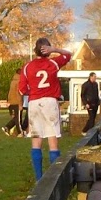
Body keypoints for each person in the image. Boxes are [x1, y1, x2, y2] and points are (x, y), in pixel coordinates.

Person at [19, 38, 71, 179]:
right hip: (50, 102)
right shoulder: (53, 63)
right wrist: (55, 50)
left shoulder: (27, 67)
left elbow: (22, 89)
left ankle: (38, 178)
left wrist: (33, 90)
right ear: (47, 50)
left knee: (36, 139)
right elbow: (68, 55)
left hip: (34, 103)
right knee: (52, 140)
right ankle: (54, 178)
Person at [3, 69, 25, 137]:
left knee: (15, 118)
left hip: (11, 102)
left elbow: (10, 92)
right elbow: (18, 93)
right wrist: (20, 103)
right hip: (16, 102)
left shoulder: (13, 81)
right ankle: (20, 133)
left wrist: (8, 101)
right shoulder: (19, 82)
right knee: (18, 119)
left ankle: (7, 127)